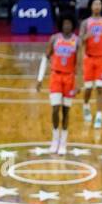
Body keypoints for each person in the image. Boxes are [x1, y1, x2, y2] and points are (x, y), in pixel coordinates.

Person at [36, 14, 78, 155]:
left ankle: (63, 142)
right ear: (61, 24)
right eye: (65, 23)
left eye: (69, 23)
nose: (67, 26)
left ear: (73, 25)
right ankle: (54, 139)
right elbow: (45, 58)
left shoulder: (76, 41)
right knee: (55, 109)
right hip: (56, 76)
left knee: (66, 112)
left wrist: (79, 83)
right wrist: (40, 78)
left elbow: (79, 64)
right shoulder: (54, 39)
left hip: (69, 78)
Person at [80, 0, 102, 128]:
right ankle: (86, 105)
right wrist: (87, 36)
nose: (97, 6)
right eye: (95, 4)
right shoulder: (85, 23)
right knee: (88, 88)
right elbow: (80, 40)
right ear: (91, 7)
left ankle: (99, 116)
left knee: (99, 88)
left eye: (99, 4)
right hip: (89, 58)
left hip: (101, 58)